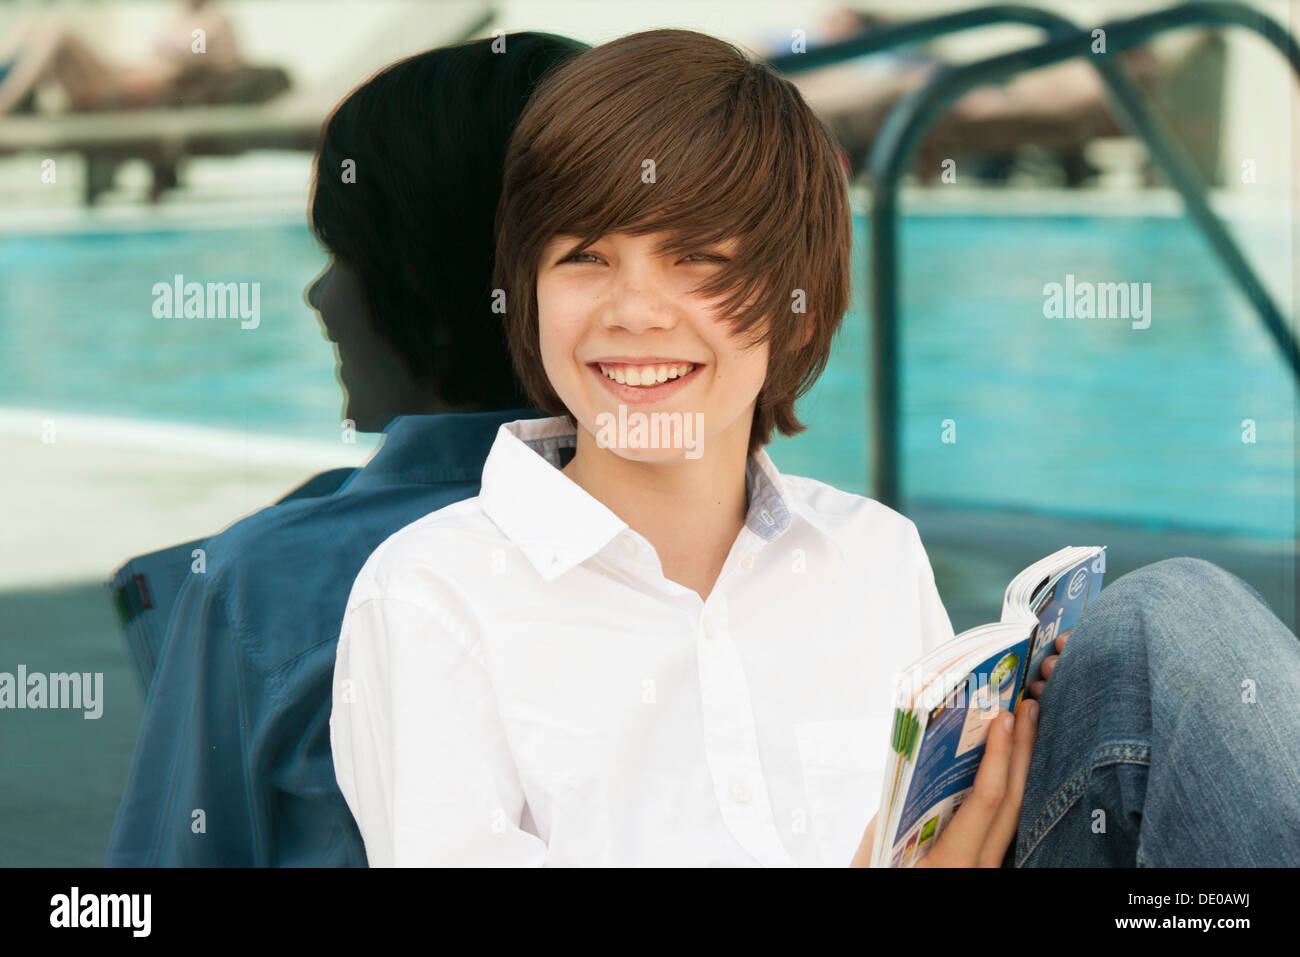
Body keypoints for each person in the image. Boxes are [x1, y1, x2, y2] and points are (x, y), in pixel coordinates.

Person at [328, 27, 1300, 868]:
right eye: (585, 257)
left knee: (1174, 622)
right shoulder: (432, 596)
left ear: (796, 310)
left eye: (696, 260)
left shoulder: (872, 555)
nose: (634, 312)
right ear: (522, 289)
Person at [105, 32, 589, 867]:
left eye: (342, 257)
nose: (320, 297)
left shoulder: (273, 581)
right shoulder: (754, 542)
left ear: (424, 286)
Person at [0, 0, 249, 114]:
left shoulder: (216, 23)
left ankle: (4, 104)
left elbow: (225, 66)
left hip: (128, 92)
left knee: (58, 32)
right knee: (38, 29)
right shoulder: (179, 20)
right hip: (124, 78)